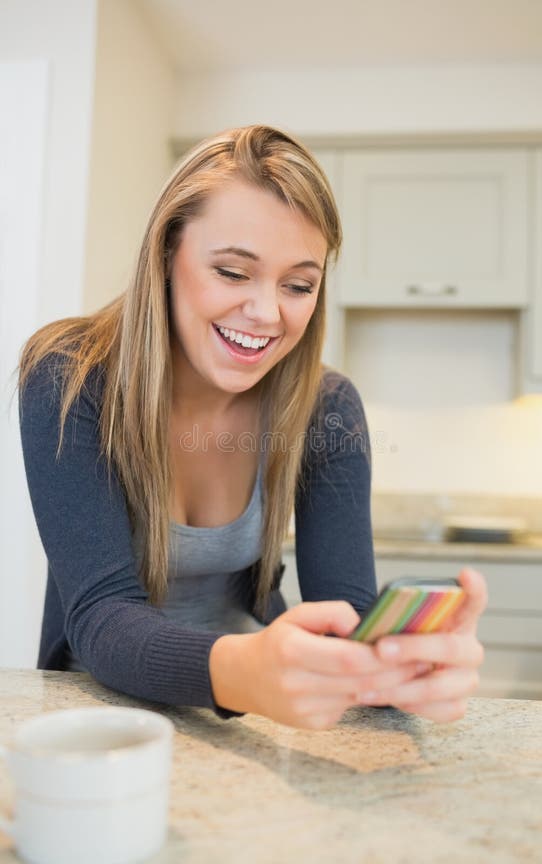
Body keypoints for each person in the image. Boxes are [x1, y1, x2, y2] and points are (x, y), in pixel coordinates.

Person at [18, 124, 486, 730]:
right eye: (234, 273)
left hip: (258, 714)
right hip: (102, 714)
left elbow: (344, 610)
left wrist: (396, 666)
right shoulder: (68, 376)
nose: (268, 313)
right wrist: (248, 673)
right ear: (166, 254)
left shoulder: (326, 409)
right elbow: (103, 618)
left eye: (299, 285)